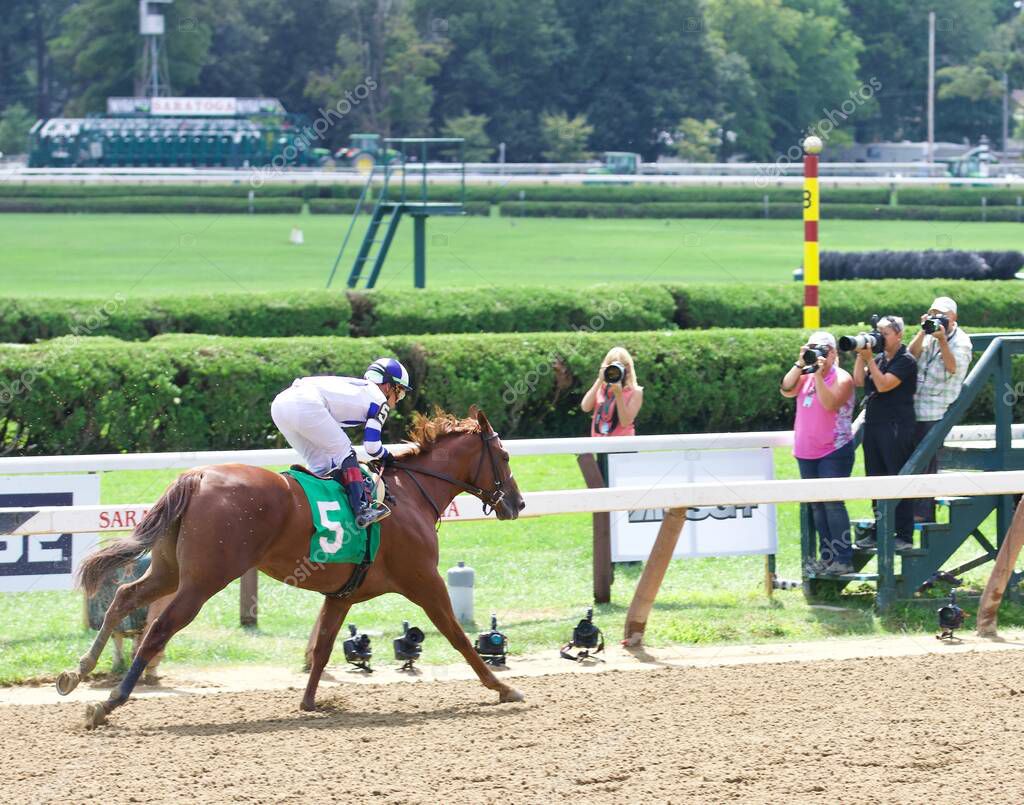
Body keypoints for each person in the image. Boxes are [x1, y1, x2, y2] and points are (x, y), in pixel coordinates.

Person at [271, 357, 412, 528]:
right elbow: (372, 446)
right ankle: (362, 510)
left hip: (280, 404)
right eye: (401, 392)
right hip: (306, 403)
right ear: (388, 386)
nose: (398, 400)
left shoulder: (359, 389)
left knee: (321, 464)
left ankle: (306, 510)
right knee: (345, 453)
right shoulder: (379, 399)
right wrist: (389, 456)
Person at [780, 332, 856, 574]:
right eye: (813, 349)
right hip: (806, 451)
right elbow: (785, 388)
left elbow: (830, 404)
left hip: (834, 450)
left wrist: (819, 375)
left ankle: (843, 558)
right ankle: (827, 557)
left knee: (833, 504)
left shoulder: (842, 378)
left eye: (823, 350)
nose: (819, 354)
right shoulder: (805, 376)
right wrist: (800, 362)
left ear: (833, 353)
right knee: (817, 506)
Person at [853, 316, 918, 551]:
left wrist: (870, 360)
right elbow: (859, 381)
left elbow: (883, 385)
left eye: (885, 334)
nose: (880, 338)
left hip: (896, 427)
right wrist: (863, 356)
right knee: (876, 478)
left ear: (899, 336)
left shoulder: (906, 360)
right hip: (874, 424)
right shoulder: (878, 359)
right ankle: (880, 531)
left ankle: (904, 534)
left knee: (896, 478)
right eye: (877, 333)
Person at [908, 296, 972, 522]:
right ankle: (910, 511)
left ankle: (923, 514)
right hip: (916, 405)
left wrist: (943, 340)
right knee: (912, 461)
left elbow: (953, 367)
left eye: (942, 314)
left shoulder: (961, 341)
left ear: (954, 318)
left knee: (925, 462)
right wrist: (922, 332)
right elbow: (910, 356)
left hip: (936, 409)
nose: (937, 318)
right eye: (933, 313)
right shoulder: (928, 334)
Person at [581, 347, 644, 437]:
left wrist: (619, 395)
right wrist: (599, 380)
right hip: (600, 444)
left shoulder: (635, 392)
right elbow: (585, 407)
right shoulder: (601, 388)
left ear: (628, 369)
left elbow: (625, 422)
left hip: (623, 445)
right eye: (611, 368)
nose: (615, 372)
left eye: (621, 367)